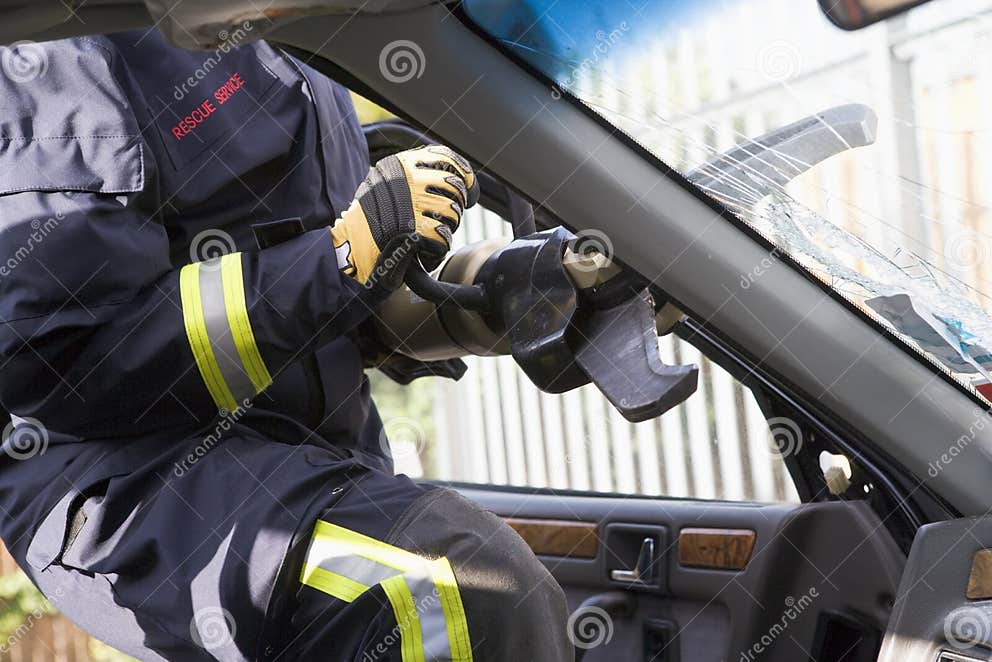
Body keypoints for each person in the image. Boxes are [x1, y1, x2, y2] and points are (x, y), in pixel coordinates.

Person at [0, 28, 572, 661]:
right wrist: (341, 259)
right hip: (132, 487)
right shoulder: (64, 55)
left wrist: (511, 295)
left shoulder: (291, 38)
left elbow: (332, 308)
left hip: (311, 453)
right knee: (459, 588)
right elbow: (70, 365)